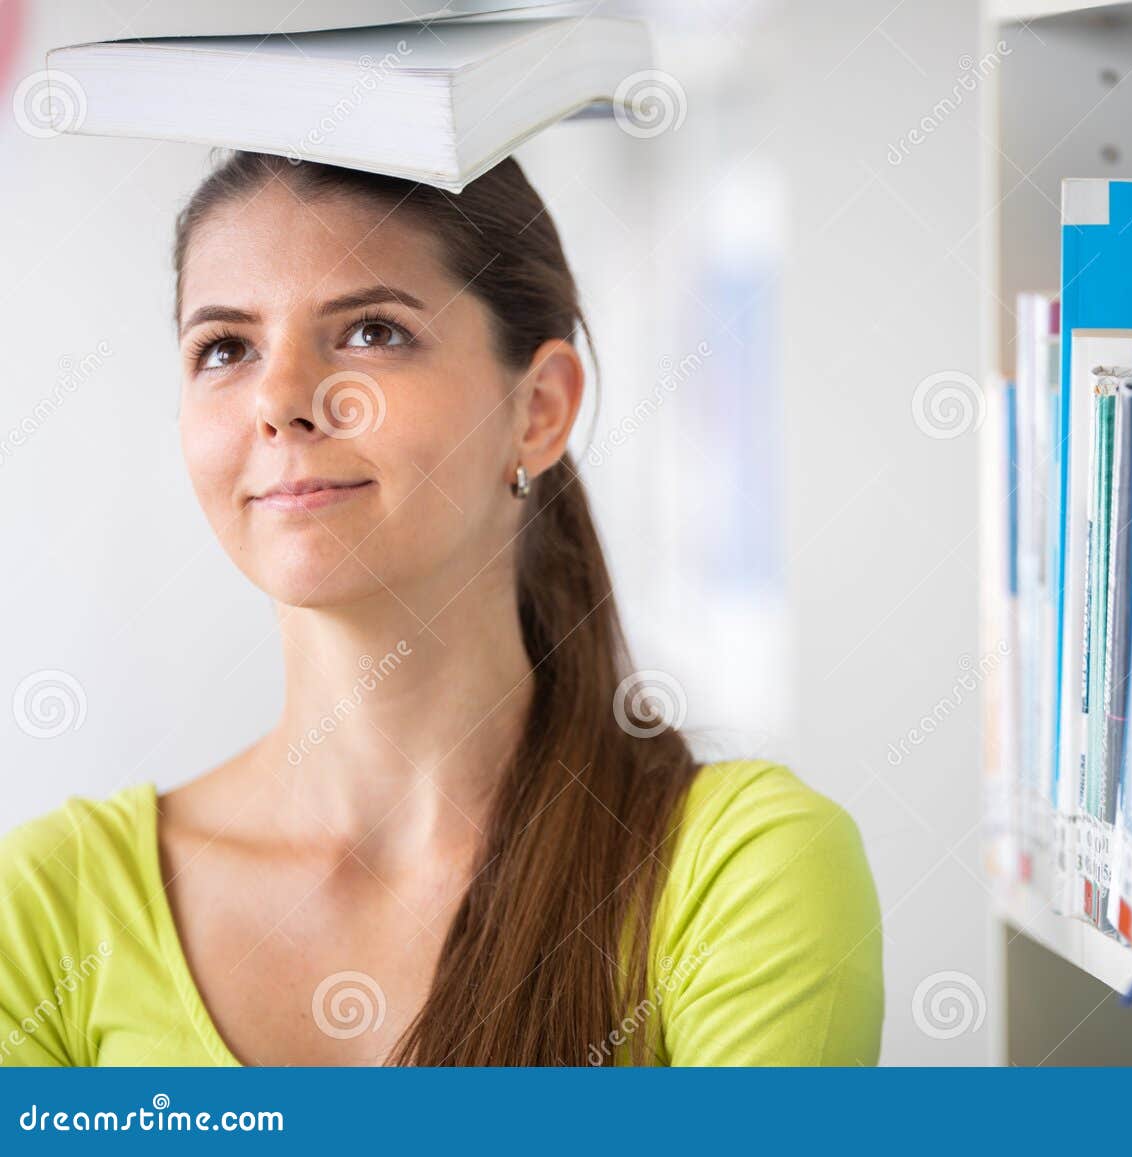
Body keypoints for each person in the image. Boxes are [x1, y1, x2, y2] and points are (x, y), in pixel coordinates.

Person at [0, 151, 882, 1067]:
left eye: (372, 332)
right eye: (225, 348)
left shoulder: (744, 870)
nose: (280, 400)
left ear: (538, 408)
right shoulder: (46, 908)